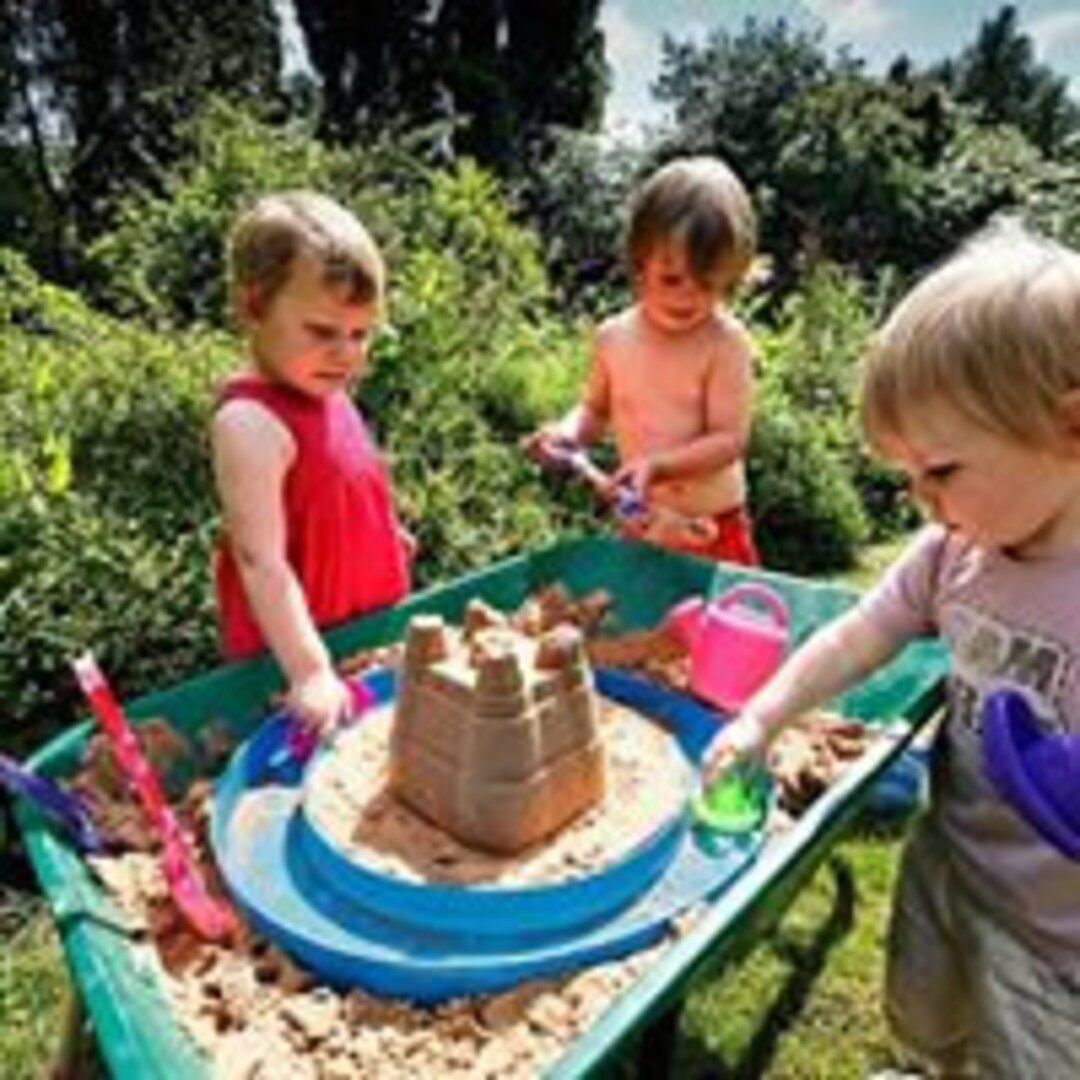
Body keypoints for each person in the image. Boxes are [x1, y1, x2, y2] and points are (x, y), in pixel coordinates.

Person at [704, 220, 1080, 1077]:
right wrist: (763, 718)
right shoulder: (954, 554)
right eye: (907, 478)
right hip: (948, 859)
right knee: (923, 1009)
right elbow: (856, 636)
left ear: (1073, 429)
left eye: (940, 472)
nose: (924, 503)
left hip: (1058, 941)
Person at [212, 191, 411, 731]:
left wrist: (385, 532)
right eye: (323, 331)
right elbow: (260, 561)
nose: (346, 354)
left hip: (361, 627)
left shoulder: (324, 389)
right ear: (253, 307)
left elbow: (341, 479)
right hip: (298, 661)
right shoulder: (249, 422)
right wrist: (309, 671)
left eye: (360, 334)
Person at [525, 156, 760, 563]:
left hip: (712, 528)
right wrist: (566, 434)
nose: (687, 296)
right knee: (636, 605)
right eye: (672, 278)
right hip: (642, 523)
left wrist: (660, 466)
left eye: (708, 283)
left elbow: (728, 441)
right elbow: (595, 410)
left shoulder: (724, 342)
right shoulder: (613, 338)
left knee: (724, 607)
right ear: (639, 261)